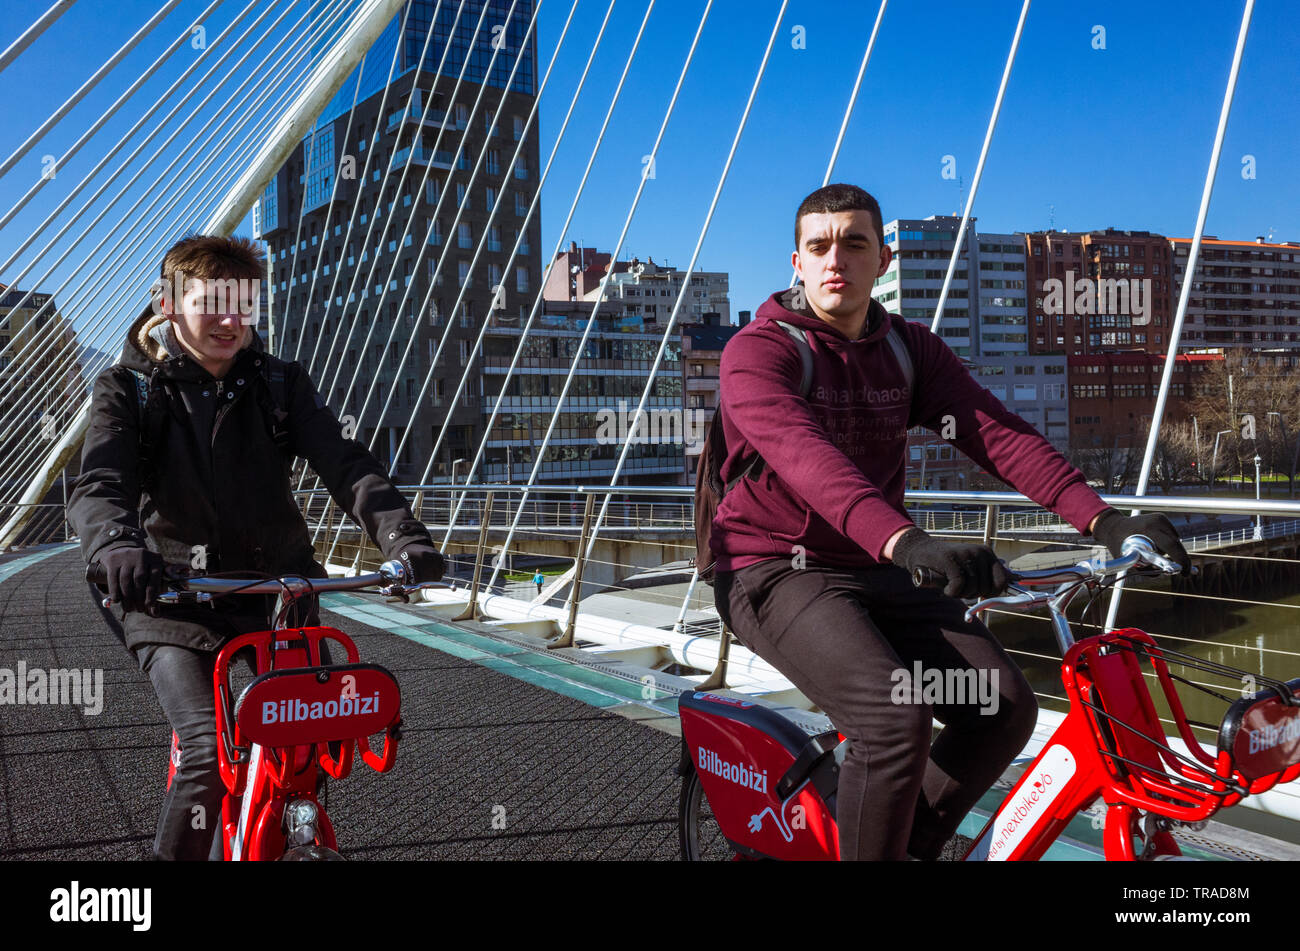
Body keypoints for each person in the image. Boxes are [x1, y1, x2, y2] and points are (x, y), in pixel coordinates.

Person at [710, 184, 1190, 861]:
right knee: (890, 718)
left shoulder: (909, 350)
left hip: (872, 564)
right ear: (796, 260)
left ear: (882, 259)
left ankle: (907, 845)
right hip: (771, 567)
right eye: (818, 246)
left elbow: (997, 434)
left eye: (854, 242)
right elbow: (807, 459)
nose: (834, 259)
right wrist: (907, 539)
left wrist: (1104, 520)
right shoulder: (759, 353)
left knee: (1001, 704)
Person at [68, 234, 446, 860]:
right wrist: (114, 544)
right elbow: (101, 480)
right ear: (166, 303)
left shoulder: (279, 384)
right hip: (173, 597)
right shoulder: (127, 390)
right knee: (207, 751)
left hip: (278, 591)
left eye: (243, 304)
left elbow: (344, 462)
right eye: (212, 302)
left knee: (304, 746)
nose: (230, 319)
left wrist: (402, 535)